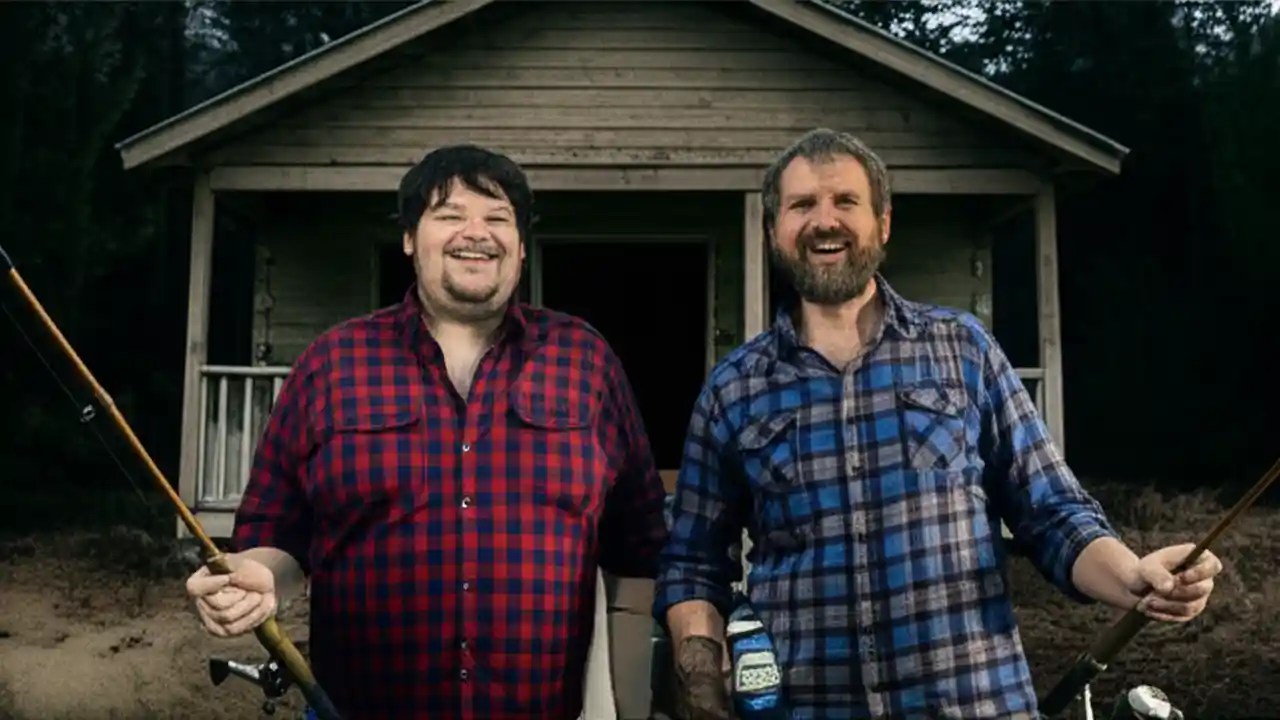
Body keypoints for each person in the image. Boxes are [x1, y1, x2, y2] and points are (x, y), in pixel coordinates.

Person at [653, 128, 1224, 720]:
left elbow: (1052, 514)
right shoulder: (734, 389)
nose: (825, 222)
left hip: (975, 702)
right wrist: (700, 685)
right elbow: (693, 563)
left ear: (884, 223)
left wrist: (1134, 575)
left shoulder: (963, 350)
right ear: (774, 230)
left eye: (845, 202)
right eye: (802, 206)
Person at [184, 144, 670, 720]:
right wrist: (257, 576)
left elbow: (636, 555)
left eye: (497, 218)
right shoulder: (332, 365)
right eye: (449, 214)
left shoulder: (584, 361)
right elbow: (280, 536)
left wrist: (635, 702)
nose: (476, 232)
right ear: (411, 237)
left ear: (519, 245)